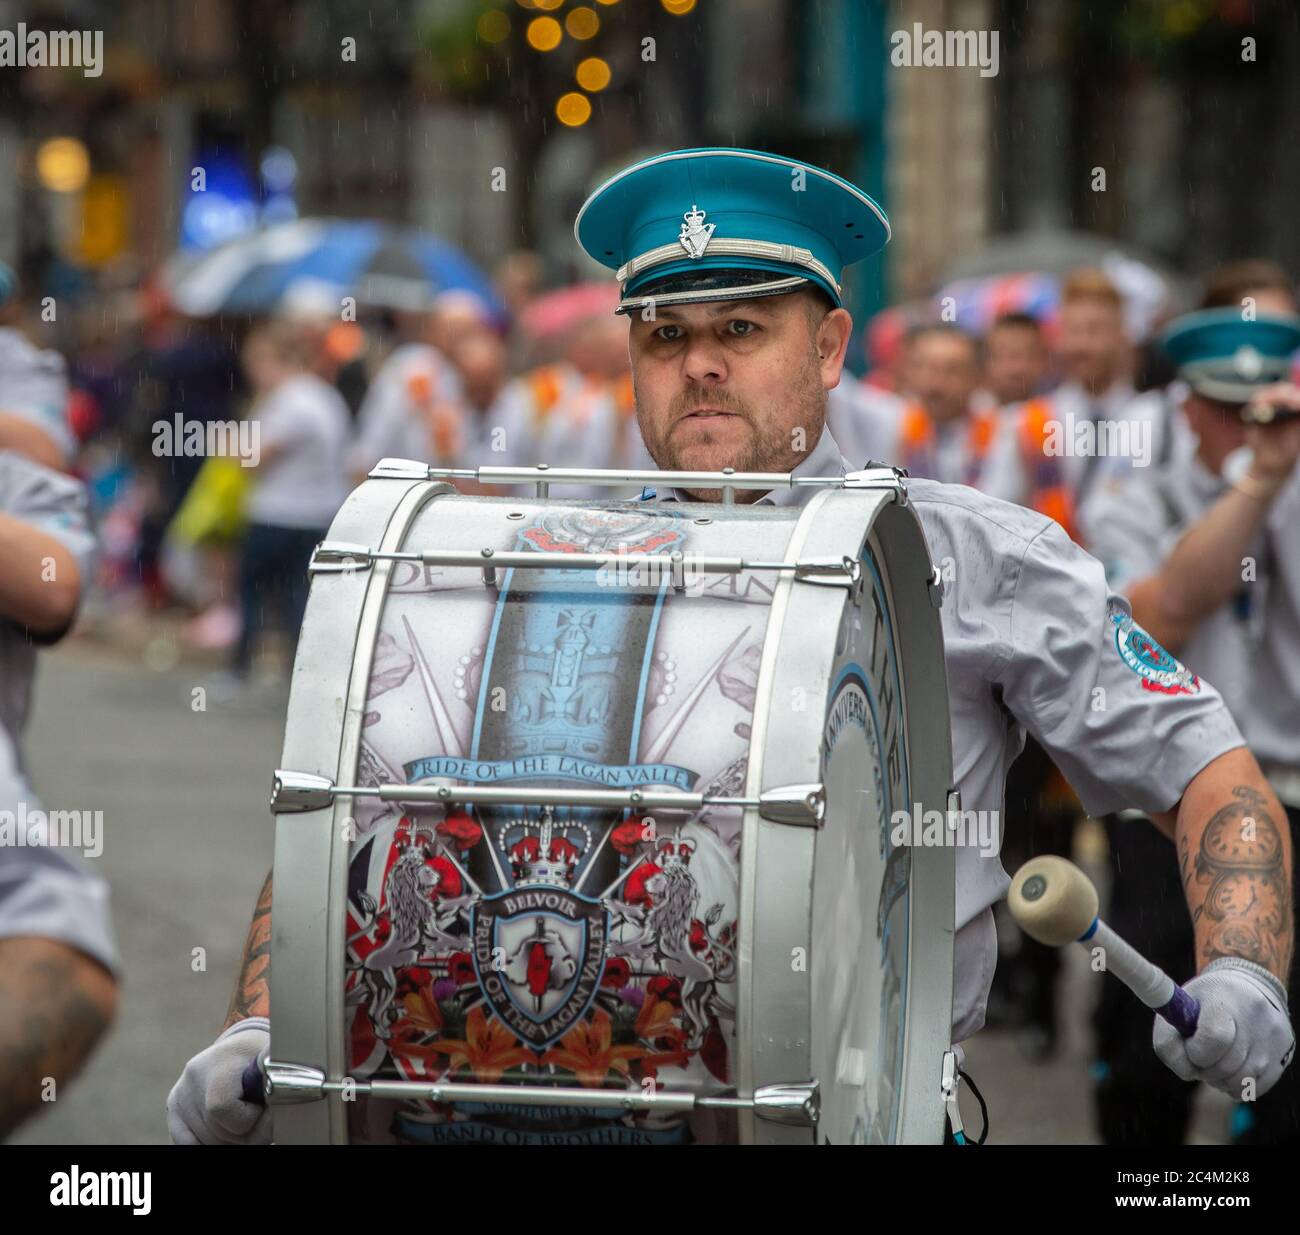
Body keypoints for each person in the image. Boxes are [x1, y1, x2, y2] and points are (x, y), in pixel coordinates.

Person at [170, 148, 1295, 1145]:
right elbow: (363, 803)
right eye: (666, 333)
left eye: (741, 328)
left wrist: (1243, 967)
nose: (698, 362)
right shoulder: (529, 551)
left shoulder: (964, 555)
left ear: (831, 345)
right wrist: (264, 1019)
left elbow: (1204, 766)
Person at [1083, 306, 1300, 1143]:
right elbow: (1164, 614)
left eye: (1265, 408)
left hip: (1287, 785)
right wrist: (1256, 487)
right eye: (1226, 409)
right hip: (1172, 800)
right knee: (1148, 1048)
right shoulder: (1137, 500)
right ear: (1189, 411)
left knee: (1284, 1068)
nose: (1247, 428)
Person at [981, 268, 1170, 542]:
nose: (1082, 345)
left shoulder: (1158, 420)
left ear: (1122, 335)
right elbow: (992, 516)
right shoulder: (1026, 421)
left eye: (1095, 331)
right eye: (1072, 331)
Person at [228, 322, 350, 685]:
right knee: (303, 598)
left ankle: (243, 669)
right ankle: (300, 673)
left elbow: (249, 458)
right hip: (319, 513)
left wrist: (236, 440)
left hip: (279, 514)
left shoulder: (290, 402)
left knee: (257, 596)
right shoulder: (327, 397)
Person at [983, 311, 1051, 409]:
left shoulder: (1061, 413)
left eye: (1028, 356)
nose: (1016, 369)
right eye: (1005, 355)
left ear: (1043, 360)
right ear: (988, 362)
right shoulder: (971, 417)